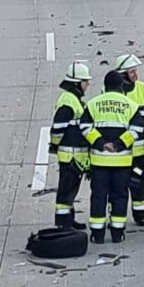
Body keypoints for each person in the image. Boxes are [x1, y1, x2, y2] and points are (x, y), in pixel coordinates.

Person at [79, 71, 144, 243]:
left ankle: (97, 234)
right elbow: (137, 130)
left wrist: (101, 143)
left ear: (105, 86)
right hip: (122, 161)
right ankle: (117, 233)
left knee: (99, 196)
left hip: (99, 160)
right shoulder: (130, 104)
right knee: (120, 196)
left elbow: (85, 127)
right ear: (121, 86)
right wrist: (119, 144)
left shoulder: (93, 104)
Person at [113, 54, 144, 226]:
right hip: (119, 151)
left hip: (139, 150)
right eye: (131, 71)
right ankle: (116, 215)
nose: (135, 74)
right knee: (117, 184)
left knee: (138, 183)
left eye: (135, 70)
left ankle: (140, 214)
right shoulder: (111, 91)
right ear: (122, 74)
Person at [49, 61, 91, 229]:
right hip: (70, 155)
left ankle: (69, 220)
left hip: (76, 155)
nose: (87, 84)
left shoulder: (73, 100)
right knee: (66, 191)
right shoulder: (68, 102)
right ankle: (63, 224)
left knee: (71, 190)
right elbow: (57, 128)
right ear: (76, 83)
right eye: (85, 81)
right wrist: (54, 144)